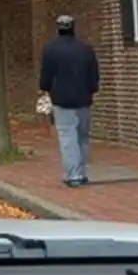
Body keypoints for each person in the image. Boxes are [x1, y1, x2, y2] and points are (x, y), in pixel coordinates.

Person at [39, 15, 99, 188]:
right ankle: (82, 171)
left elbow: (46, 76)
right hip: (84, 99)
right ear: (73, 28)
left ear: (58, 29)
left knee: (67, 136)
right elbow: (94, 74)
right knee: (83, 136)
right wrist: (92, 89)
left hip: (62, 99)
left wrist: (45, 88)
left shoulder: (50, 49)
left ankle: (73, 175)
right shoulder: (86, 49)